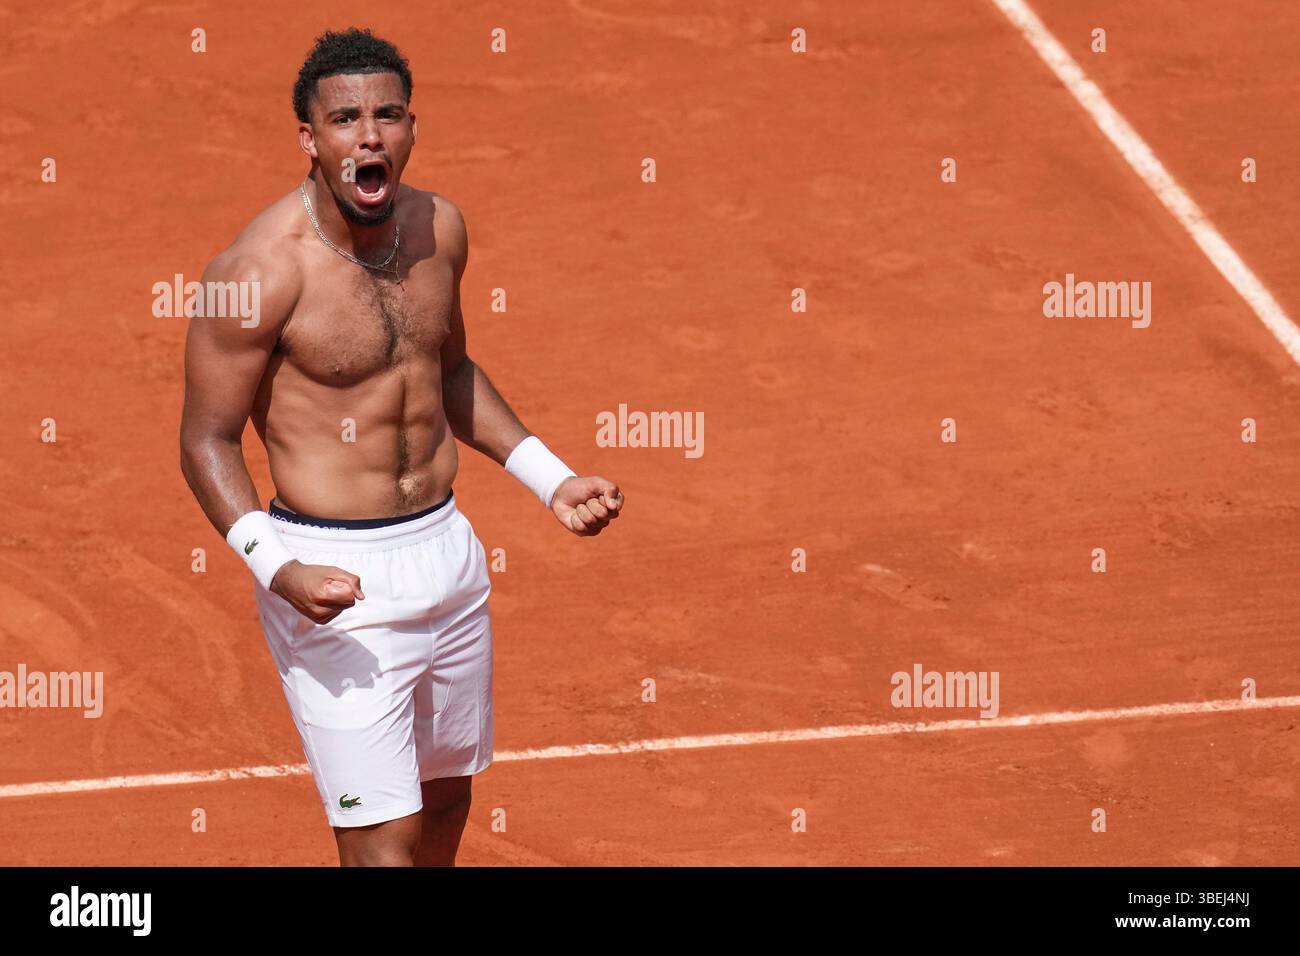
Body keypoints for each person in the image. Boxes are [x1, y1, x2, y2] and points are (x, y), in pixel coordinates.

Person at [179, 27, 624, 866]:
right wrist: (279, 570)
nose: (369, 136)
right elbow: (206, 439)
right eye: (344, 119)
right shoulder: (258, 272)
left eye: (387, 115)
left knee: (446, 799)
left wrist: (550, 477)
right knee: (383, 845)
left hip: (446, 556)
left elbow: (447, 372)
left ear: (412, 128)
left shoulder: (437, 230)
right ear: (310, 139)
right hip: (333, 581)